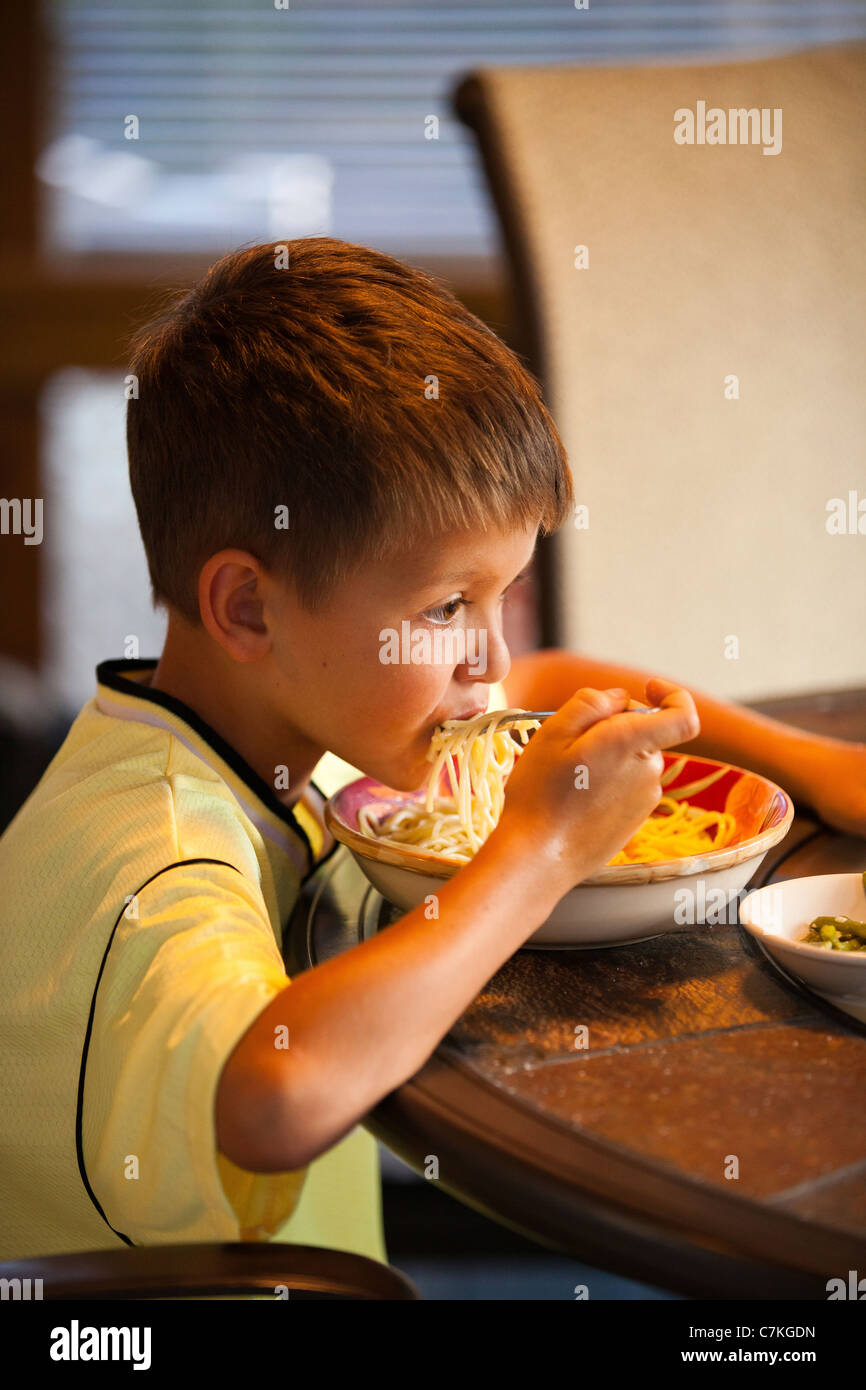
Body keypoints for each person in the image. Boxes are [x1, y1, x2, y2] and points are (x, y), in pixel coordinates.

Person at [0, 238, 862, 1266]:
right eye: (447, 605)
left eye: (502, 593)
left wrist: (811, 764)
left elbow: (539, 683)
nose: (487, 653)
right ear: (247, 606)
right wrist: (537, 853)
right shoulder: (163, 847)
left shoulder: (291, 710)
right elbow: (278, 1098)